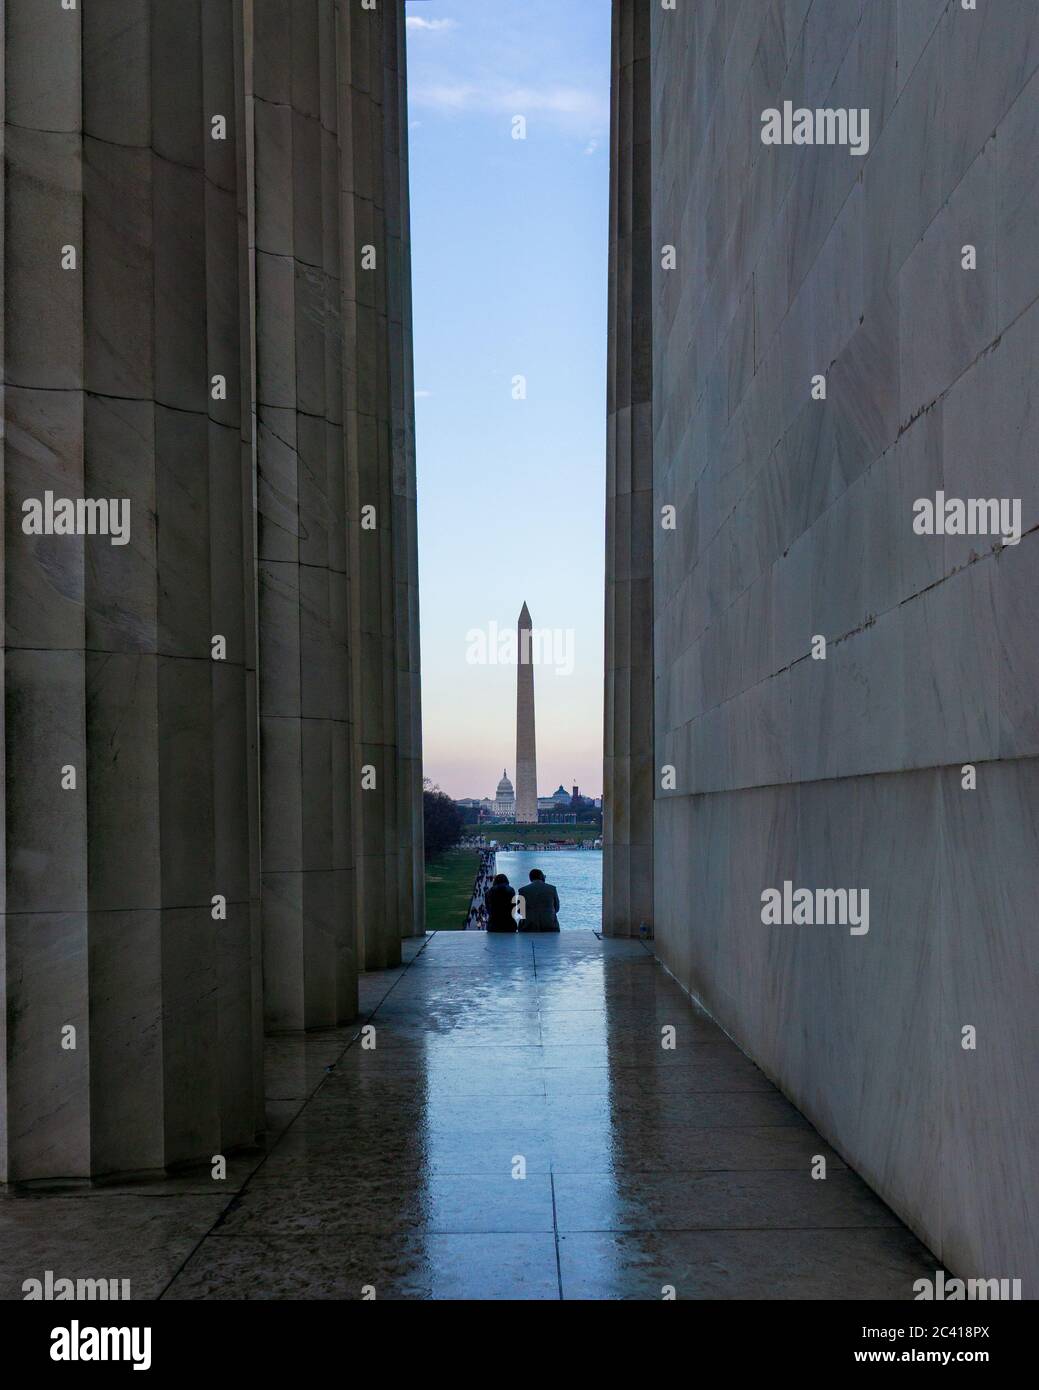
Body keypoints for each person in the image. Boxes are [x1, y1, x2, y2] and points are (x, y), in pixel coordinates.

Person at [517, 868, 560, 932]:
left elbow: (520, 911)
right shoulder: (552, 889)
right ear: (541, 877)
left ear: (531, 878)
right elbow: (556, 908)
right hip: (550, 925)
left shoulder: (522, 890)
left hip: (529, 925)